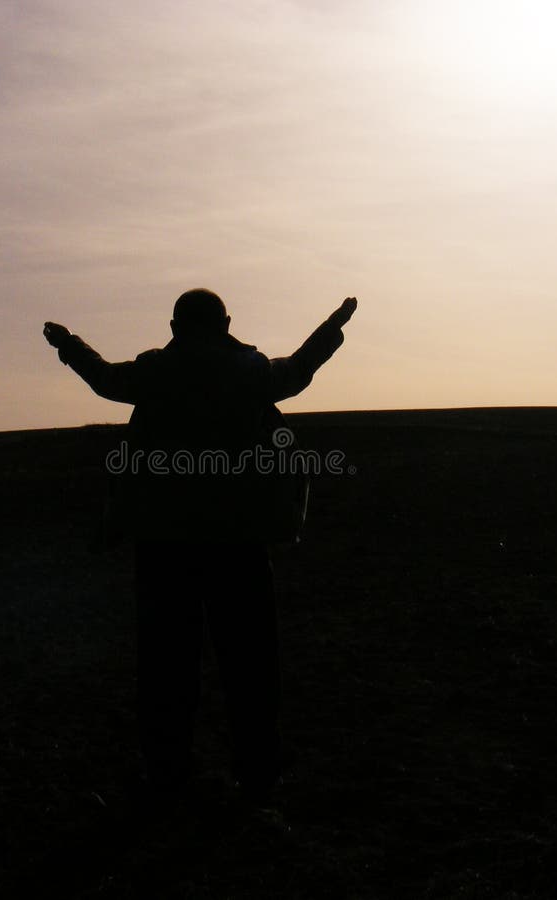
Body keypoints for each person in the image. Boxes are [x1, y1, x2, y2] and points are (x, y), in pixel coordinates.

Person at [43, 289, 358, 804]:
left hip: (164, 544)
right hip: (240, 541)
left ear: (173, 325)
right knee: (251, 664)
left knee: (167, 665)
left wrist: (68, 344)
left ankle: (167, 775)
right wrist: (334, 325)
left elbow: (104, 380)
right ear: (227, 322)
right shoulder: (253, 372)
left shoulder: (153, 373)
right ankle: (258, 775)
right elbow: (299, 370)